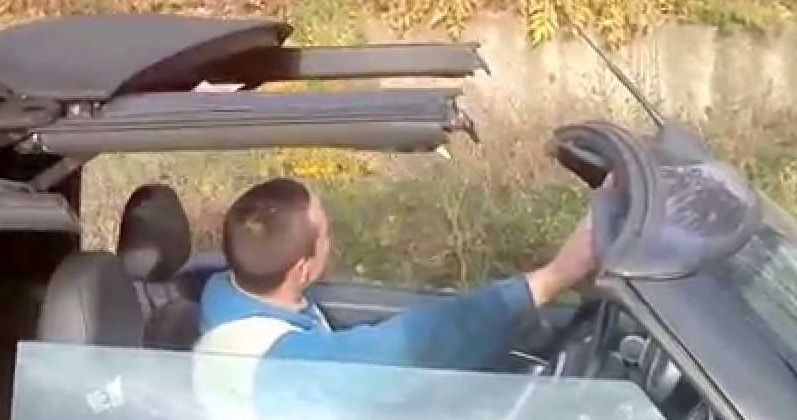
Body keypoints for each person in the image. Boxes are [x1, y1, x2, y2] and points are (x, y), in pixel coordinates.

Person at [195, 177, 598, 371]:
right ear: (302, 269)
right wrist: (551, 279)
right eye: (326, 234)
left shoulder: (227, 291)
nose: (333, 238)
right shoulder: (279, 366)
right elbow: (410, 345)